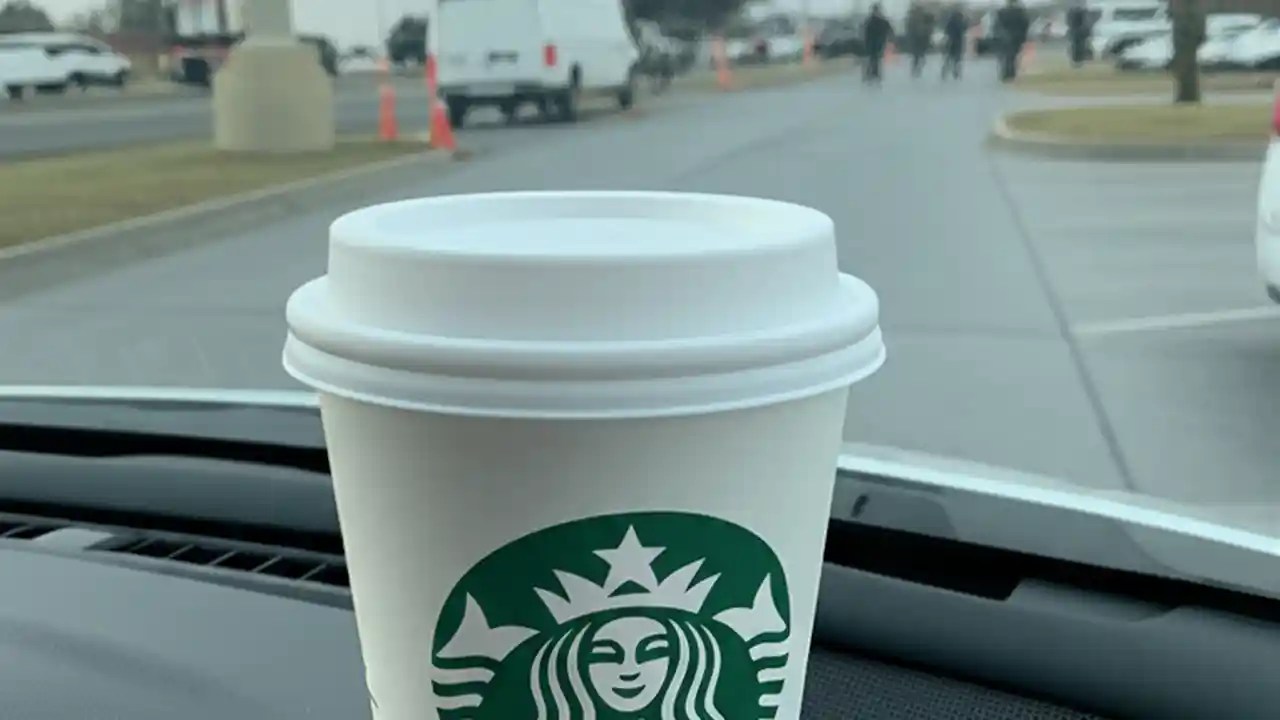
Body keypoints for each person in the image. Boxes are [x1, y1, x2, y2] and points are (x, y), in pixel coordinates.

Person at [995, 0, 1030, 82]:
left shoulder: (1001, 11)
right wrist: (1024, 36)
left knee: (1006, 55)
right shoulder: (1021, 12)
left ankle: (1006, 73)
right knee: (1013, 56)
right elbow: (1025, 24)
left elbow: (997, 25)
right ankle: (1011, 73)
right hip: (1017, 36)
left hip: (1004, 36)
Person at [862, 3, 894, 85]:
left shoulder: (881, 21)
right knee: (873, 58)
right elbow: (865, 32)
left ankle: (874, 74)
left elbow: (889, 30)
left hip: (879, 42)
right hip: (871, 42)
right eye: (875, 10)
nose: (876, 12)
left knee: (876, 58)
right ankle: (872, 74)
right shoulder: (870, 20)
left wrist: (890, 38)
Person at [905, 3, 936, 78]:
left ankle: (916, 67)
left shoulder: (922, 18)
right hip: (917, 39)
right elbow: (910, 29)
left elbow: (929, 28)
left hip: (921, 38)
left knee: (919, 54)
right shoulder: (914, 19)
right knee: (917, 55)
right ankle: (916, 68)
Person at [941, 5, 968, 80]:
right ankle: (955, 72)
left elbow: (946, 31)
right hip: (957, 42)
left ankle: (945, 72)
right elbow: (964, 29)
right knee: (956, 59)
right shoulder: (961, 22)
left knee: (949, 59)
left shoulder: (950, 22)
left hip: (951, 42)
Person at [1066, 1, 1090, 67]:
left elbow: (1068, 22)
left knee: (1078, 47)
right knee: (1077, 47)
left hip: (1077, 32)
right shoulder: (1081, 11)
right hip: (1077, 32)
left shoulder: (1074, 12)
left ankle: (1078, 61)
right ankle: (1077, 61)